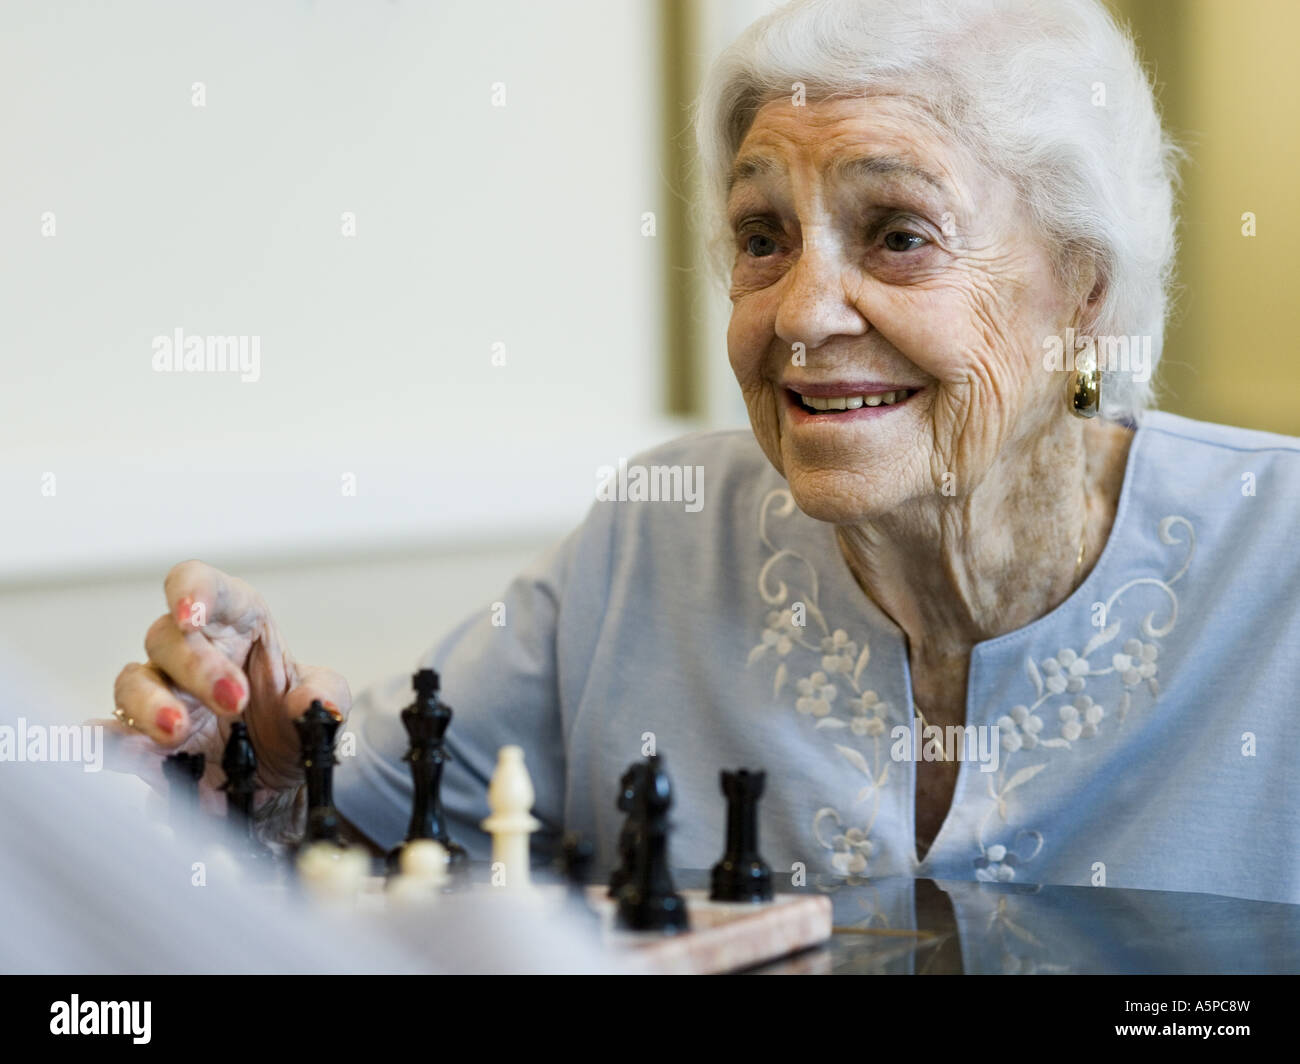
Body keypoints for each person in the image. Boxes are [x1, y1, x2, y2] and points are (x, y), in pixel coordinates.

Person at [107, 0, 1300, 905]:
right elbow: (364, 838)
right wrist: (252, 760)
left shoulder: (1279, 560)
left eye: (895, 234)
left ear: (1082, 295)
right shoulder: (659, 537)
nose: (799, 313)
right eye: (762, 237)